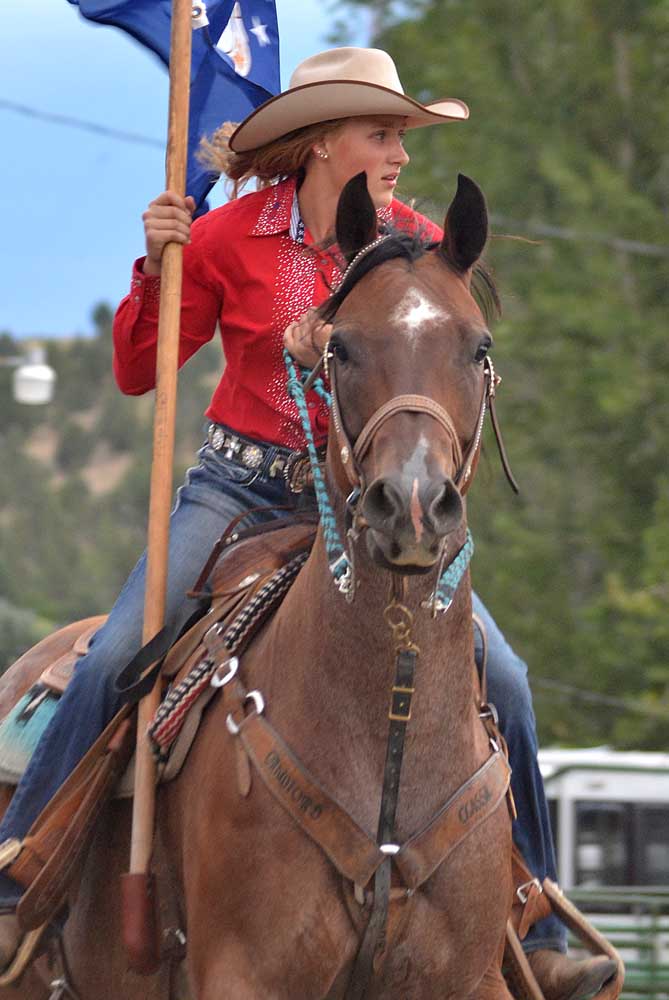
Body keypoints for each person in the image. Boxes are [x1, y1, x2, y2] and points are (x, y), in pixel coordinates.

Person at [0, 47, 615, 998]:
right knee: (123, 647)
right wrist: (158, 259)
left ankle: (529, 916)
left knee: (509, 679)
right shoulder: (228, 238)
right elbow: (137, 369)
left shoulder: (415, 246)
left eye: (404, 136)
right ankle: (20, 870)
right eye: (383, 134)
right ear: (324, 141)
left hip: (375, 499)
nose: (400, 154)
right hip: (240, 495)